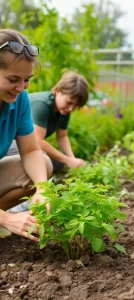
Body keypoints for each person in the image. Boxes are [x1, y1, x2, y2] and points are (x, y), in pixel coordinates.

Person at [0, 29, 53, 241]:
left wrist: (42, 189)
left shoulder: (19, 99)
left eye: (27, 80)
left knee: (43, 167)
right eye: (13, 79)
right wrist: (5, 220)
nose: (21, 88)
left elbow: (31, 150)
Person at [7, 71, 89, 173]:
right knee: (46, 162)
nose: (71, 108)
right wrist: (68, 160)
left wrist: (72, 159)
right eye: (69, 102)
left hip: (27, 147)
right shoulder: (42, 105)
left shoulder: (63, 110)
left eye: (75, 106)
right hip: (11, 143)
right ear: (58, 91)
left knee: (57, 164)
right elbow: (38, 141)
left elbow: (62, 136)